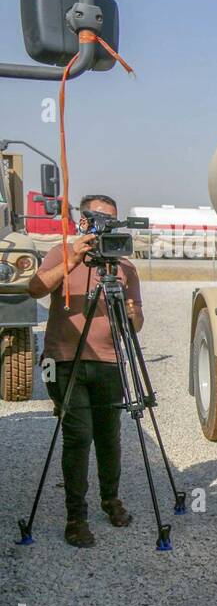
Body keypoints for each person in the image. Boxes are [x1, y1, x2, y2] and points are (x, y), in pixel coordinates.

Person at [27, 194, 143, 548]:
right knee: (79, 436)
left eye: (111, 219)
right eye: (98, 218)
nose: (105, 225)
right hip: (63, 361)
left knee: (109, 436)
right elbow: (35, 288)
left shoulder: (124, 268)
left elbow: (135, 326)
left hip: (108, 362)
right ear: (83, 221)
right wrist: (75, 257)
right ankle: (76, 516)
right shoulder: (61, 253)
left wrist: (131, 310)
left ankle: (111, 499)